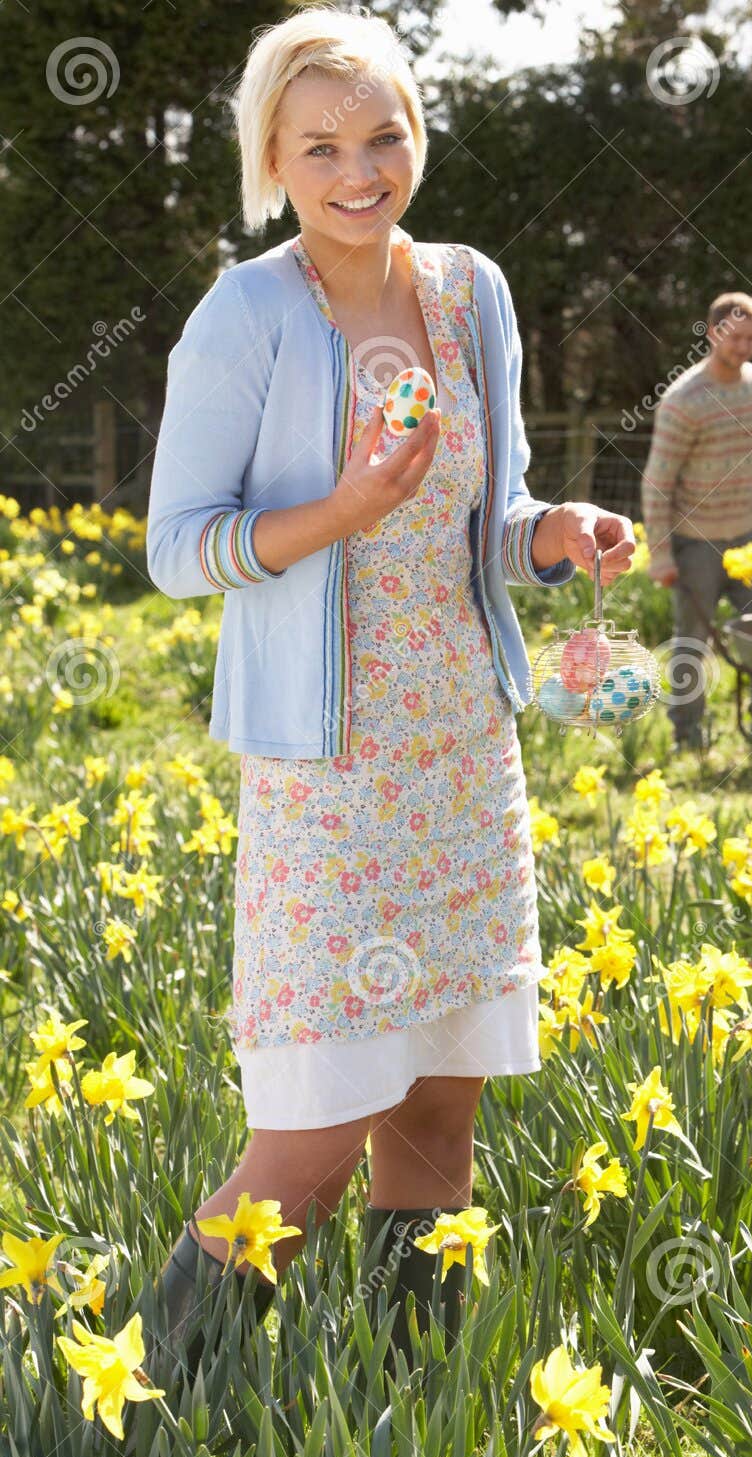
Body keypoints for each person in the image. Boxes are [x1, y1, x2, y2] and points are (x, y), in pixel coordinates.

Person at [142, 6, 634, 1382]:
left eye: (383, 136)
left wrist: (555, 532)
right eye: (320, 147)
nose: (358, 171)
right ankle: (152, 1424)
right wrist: (342, 506)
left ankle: (402, 1418)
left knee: (438, 1098)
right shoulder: (245, 314)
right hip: (328, 768)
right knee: (305, 1129)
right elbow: (179, 549)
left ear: (416, 134)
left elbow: (500, 505)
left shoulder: (470, 295)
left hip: (460, 754)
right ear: (274, 159)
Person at [640, 293, 752, 754]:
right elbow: (657, 484)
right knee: (691, 643)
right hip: (694, 543)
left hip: (748, 539)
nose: (744, 345)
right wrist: (662, 554)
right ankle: (687, 737)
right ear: (712, 334)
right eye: (734, 336)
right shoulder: (684, 400)